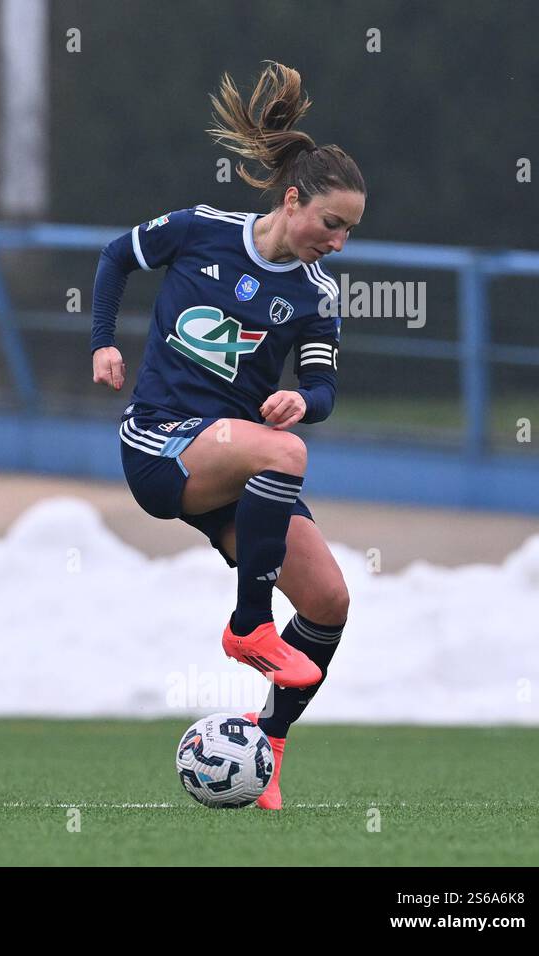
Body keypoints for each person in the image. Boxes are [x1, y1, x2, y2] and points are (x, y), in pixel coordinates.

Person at [89, 62, 364, 809]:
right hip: (161, 446)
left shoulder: (315, 295)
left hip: (236, 467)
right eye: (331, 223)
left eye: (350, 231)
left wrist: (301, 401)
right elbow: (116, 256)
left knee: (330, 601)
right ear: (292, 199)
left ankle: (266, 747)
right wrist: (103, 342)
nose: (338, 243)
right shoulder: (202, 230)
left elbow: (325, 388)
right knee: (285, 454)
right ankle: (248, 626)